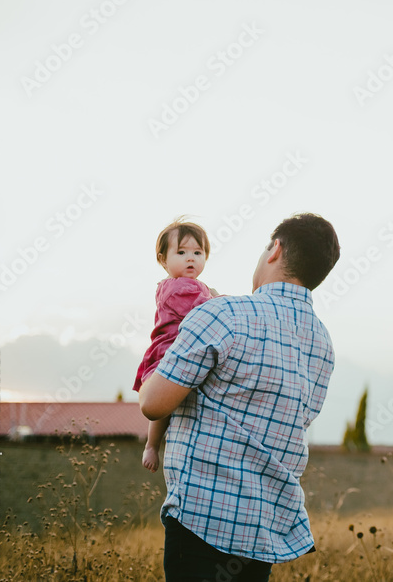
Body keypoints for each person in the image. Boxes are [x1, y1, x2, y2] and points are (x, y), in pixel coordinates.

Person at [140, 212, 340, 582]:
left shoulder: (222, 314)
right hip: (263, 528)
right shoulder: (323, 344)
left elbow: (152, 403)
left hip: (202, 519)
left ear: (274, 250)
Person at [134, 218, 219, 472]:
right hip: (167, 352)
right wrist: (224, 300)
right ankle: (152, 444)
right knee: (162, 406)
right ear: (163, 260)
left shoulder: (193, 285)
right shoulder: (178, 288)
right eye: (181, 253)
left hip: (180, 349)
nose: (190, 258)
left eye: (197, 252)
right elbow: (205, 310)